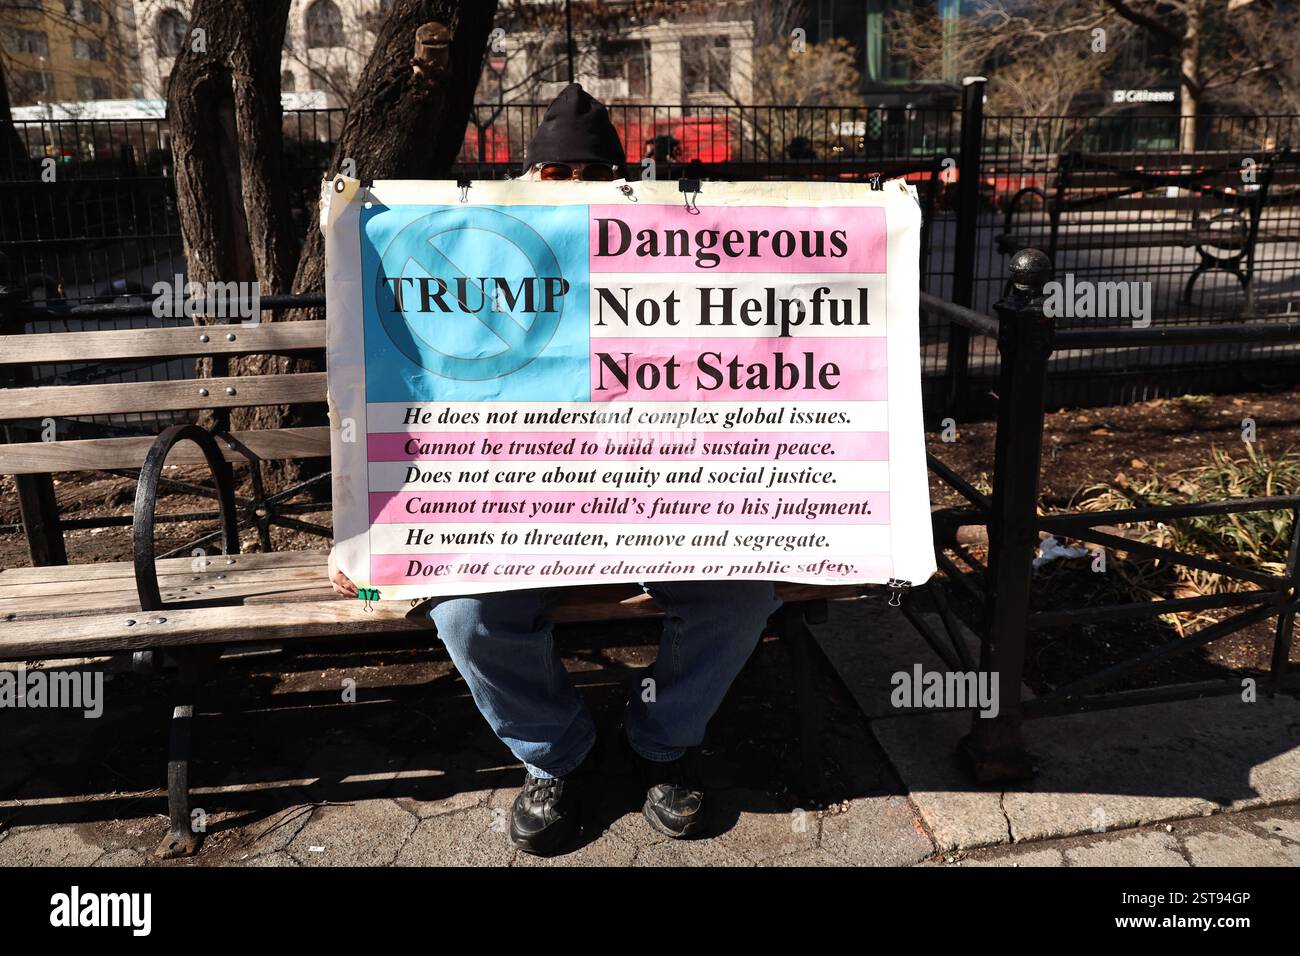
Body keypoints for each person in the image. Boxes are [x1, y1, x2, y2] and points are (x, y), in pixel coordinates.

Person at [329, 83, 782, 856]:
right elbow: (402, 402)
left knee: (742, 593)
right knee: (467, 615)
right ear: (529, 181)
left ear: (620, 183)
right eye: (558, 174)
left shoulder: (663, 261)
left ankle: (661, 746)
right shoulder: (473, 280)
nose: (575, 190)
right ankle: (558, 756)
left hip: (654, 508)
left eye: (592, 175)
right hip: (512, 515)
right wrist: (364, 535)